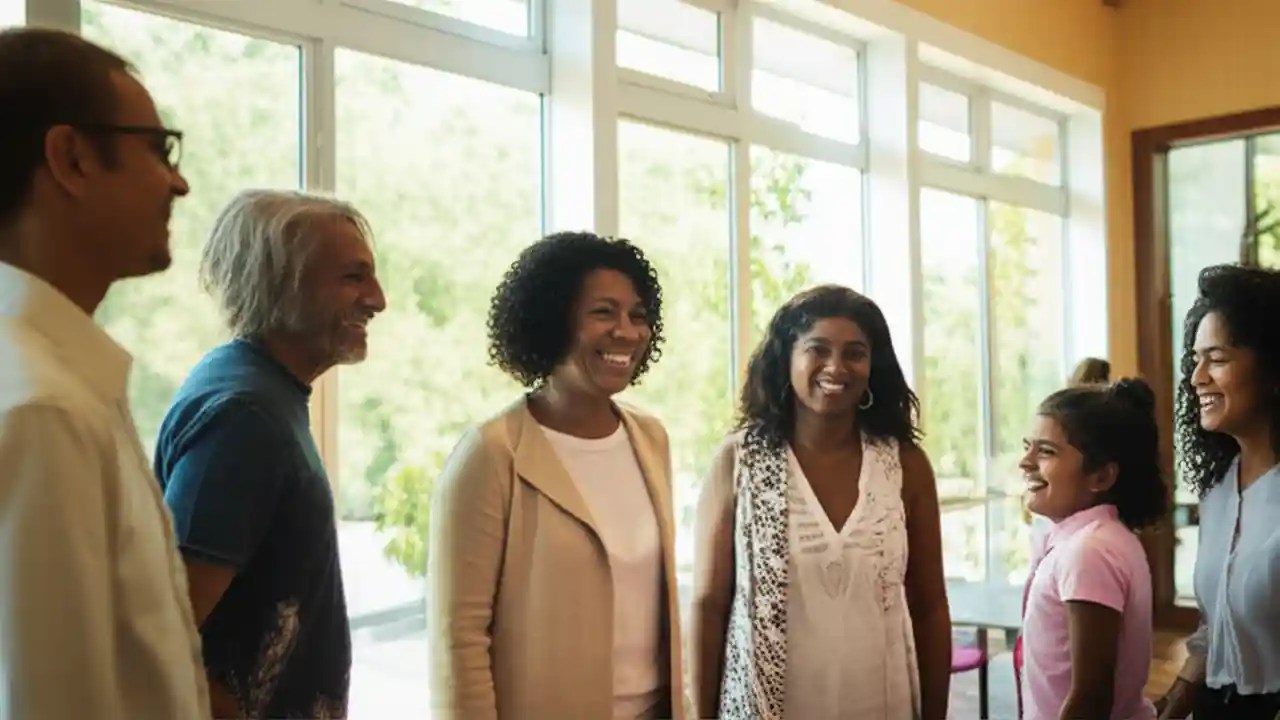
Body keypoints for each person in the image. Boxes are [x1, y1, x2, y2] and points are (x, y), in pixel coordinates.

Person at [0, 27, 208, 718]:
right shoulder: (43, 408)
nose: (177, 180)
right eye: (158, 148)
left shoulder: (49, 379)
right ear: (71, 158)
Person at [428, 231, 687, 720]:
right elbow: (459, 640)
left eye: (637, 315)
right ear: (552, 322)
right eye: (603, 312)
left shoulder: (651, 440)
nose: (627, 332)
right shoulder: (491, 454)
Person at [153, 189, 386, 718]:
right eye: (353, 277)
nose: (377, 299)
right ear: (280, 281)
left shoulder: (260, 391)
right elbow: (164, 640)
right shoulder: (245, 419)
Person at [691, 284, 951, 720]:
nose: (836, 366)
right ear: (787, 360)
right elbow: (709, 603)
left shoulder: (904, 464)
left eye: (855, 352)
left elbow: (929, 606)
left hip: (881, 703)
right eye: (818, 349)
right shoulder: (740, 461)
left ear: (872, 366)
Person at [1155, 264, 1280, 720]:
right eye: (1195, 360)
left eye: (1218, 359)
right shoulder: (1219, 492)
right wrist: (1170, 705)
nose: (1196, 378)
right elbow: (1213, 631)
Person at [1017, 379, 1166, 720]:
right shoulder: (1087, 538)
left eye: (1046, 451)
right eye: (1028, 446)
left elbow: (1091, 696)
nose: (1025, 462)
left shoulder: (1090, 550)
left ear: (1100, 477)